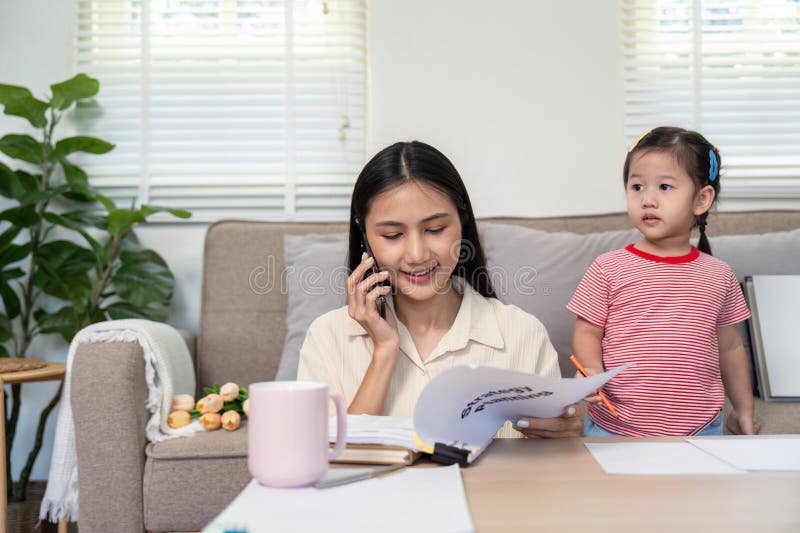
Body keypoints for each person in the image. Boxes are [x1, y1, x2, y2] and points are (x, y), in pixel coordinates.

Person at [297, 140, 580, 438]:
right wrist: (384, 352)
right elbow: (326, 465)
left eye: (434, 230)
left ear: (463, 222)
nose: (417, 254)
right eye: (392, 235)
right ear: (364, 236)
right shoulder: (327, 338)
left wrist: (562, 439)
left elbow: (546, 474)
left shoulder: (521, 334)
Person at [568, 126, 756, 437]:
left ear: (701, 199)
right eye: (637, 186)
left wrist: (744, 410)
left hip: (700, 428)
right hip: (615, 427)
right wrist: (593, 370)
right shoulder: (607, 267)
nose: (648, 200)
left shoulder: (719, 275)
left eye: (665, 187)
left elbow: (731, 348)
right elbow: (587, 330)